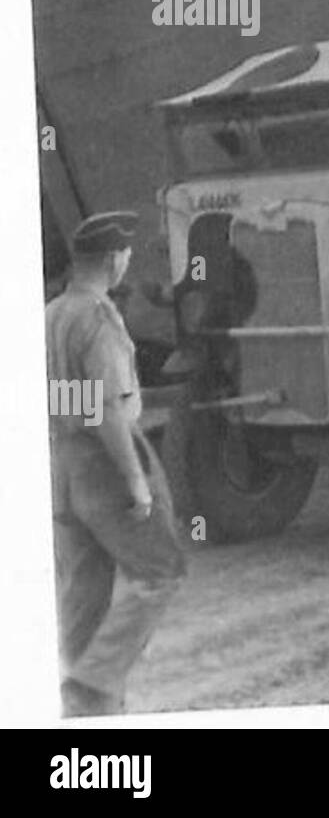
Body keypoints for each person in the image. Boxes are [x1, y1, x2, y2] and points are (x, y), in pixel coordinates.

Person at [48, 212, 187, 716]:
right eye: (126, 255)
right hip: (105, 462)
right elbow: (106, 407)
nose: (128, 263)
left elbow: (75, 402)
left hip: (64, 463)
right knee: (161, 570)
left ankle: (81, 698)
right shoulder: (97, 319)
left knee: (85, 585)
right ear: (113, 260)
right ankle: (94, 681)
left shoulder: (54, 314)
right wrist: (136, 480)